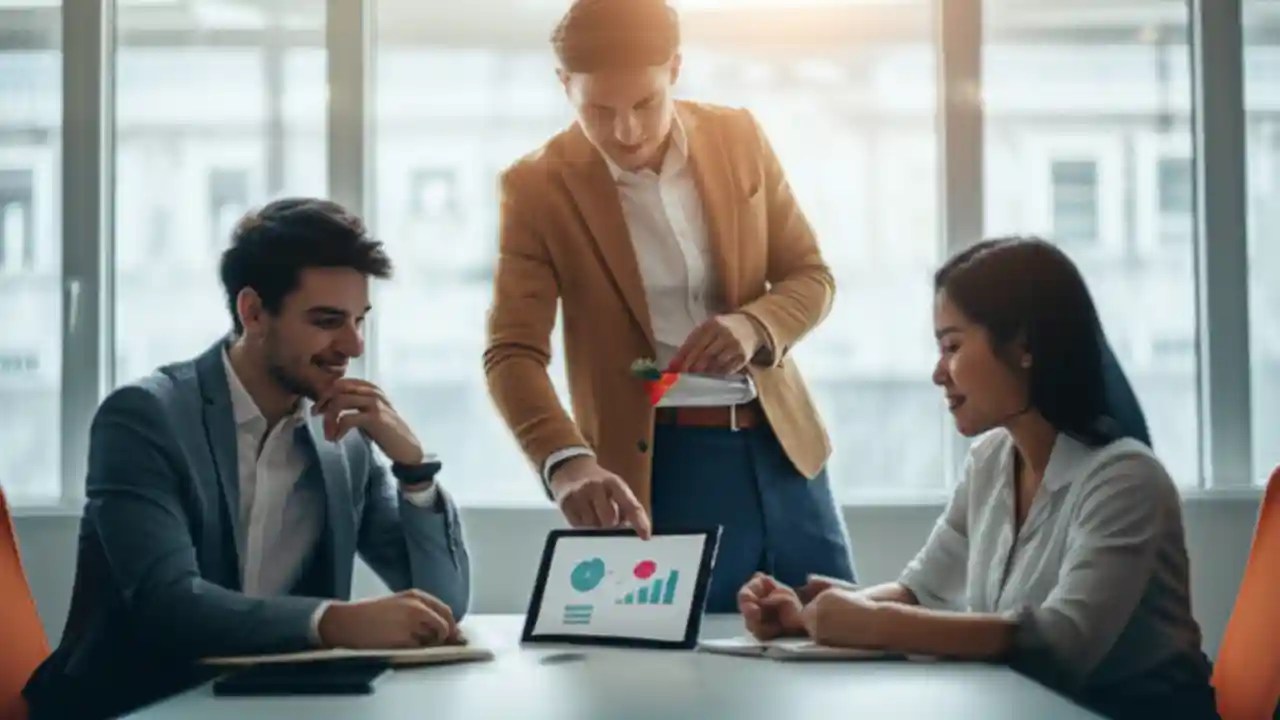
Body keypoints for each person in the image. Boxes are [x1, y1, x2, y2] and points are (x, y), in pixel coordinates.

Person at [24, 199, 471, 719]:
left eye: (359, 320)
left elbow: (443, 605)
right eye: (327, 321)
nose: (352, 344)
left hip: (275, 704)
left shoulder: (343, 438)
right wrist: (335, 622)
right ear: (253, 312)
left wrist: (415, 469)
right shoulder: (145, 418)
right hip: (135, 702)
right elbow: (169, 606)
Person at [737, 237, 1217, 720]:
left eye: (952, 346)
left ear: (1025, 346)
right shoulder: (990, 461)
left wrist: (875, 621)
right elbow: (919, 591)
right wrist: (818, 615)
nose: (938, 373)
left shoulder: (1126, 480)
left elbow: (1060, 645)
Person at [484, 0, 854, 611]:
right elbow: (512, 351)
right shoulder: (536, 187)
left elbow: (810, 275)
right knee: (676, 685)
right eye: (598, 110)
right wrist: (566, 461)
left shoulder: (738, 136)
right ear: (563, 86)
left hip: (786, 454)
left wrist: (753, 324)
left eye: (644, 104)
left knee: (834, 639)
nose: (625, 131)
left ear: (675, 68)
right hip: (658, 468)